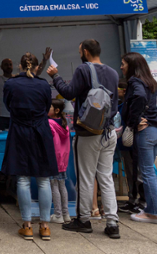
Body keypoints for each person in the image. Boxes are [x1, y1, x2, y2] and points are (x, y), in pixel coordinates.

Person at [48, 39, 120, 239]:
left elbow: (69, 93)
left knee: (86, 177)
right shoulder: (113, 73)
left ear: (86, 52)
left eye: (80, 50)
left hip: (88, 133)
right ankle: (112, 222)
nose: (80, 53)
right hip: (109, 132)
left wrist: (56, 77)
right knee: (105, 177)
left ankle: (83, 220)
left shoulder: (83, 70)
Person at [2, 53, 57, 241]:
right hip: (41, 130)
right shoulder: (43, 84)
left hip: (19, 130)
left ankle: (27, 225)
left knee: (23, 179)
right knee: (43, 180)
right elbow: (47, 106)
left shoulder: (10, 84)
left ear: (19, 66)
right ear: (35, 67)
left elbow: (7, 105)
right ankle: (45, 226)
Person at [121, 52, 157, 224]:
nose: (121, 67)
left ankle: (154, 212)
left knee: (147, 173)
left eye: (123, 64)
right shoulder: (149, 81)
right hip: (156, 132)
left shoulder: (135, 82)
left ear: (132, 66)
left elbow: (140, 97)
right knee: (151, 171)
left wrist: (134, 120)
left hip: (145, 133)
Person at [116, 79, 145, 214]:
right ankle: (132, 199)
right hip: (125, 143)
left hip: (132, 142)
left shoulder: (133, 103)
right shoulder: (122, 105)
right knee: (130, 172)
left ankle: (142, 201)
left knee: (137, 173)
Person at [48, 98, 71, 224]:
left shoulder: (49, 124)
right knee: (62, 185)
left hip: (53, 159)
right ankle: (66, 213)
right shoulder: (65, 124)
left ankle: (58, 214)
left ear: (56, 110)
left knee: (54, 185)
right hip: (63, 159)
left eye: (49, 107)